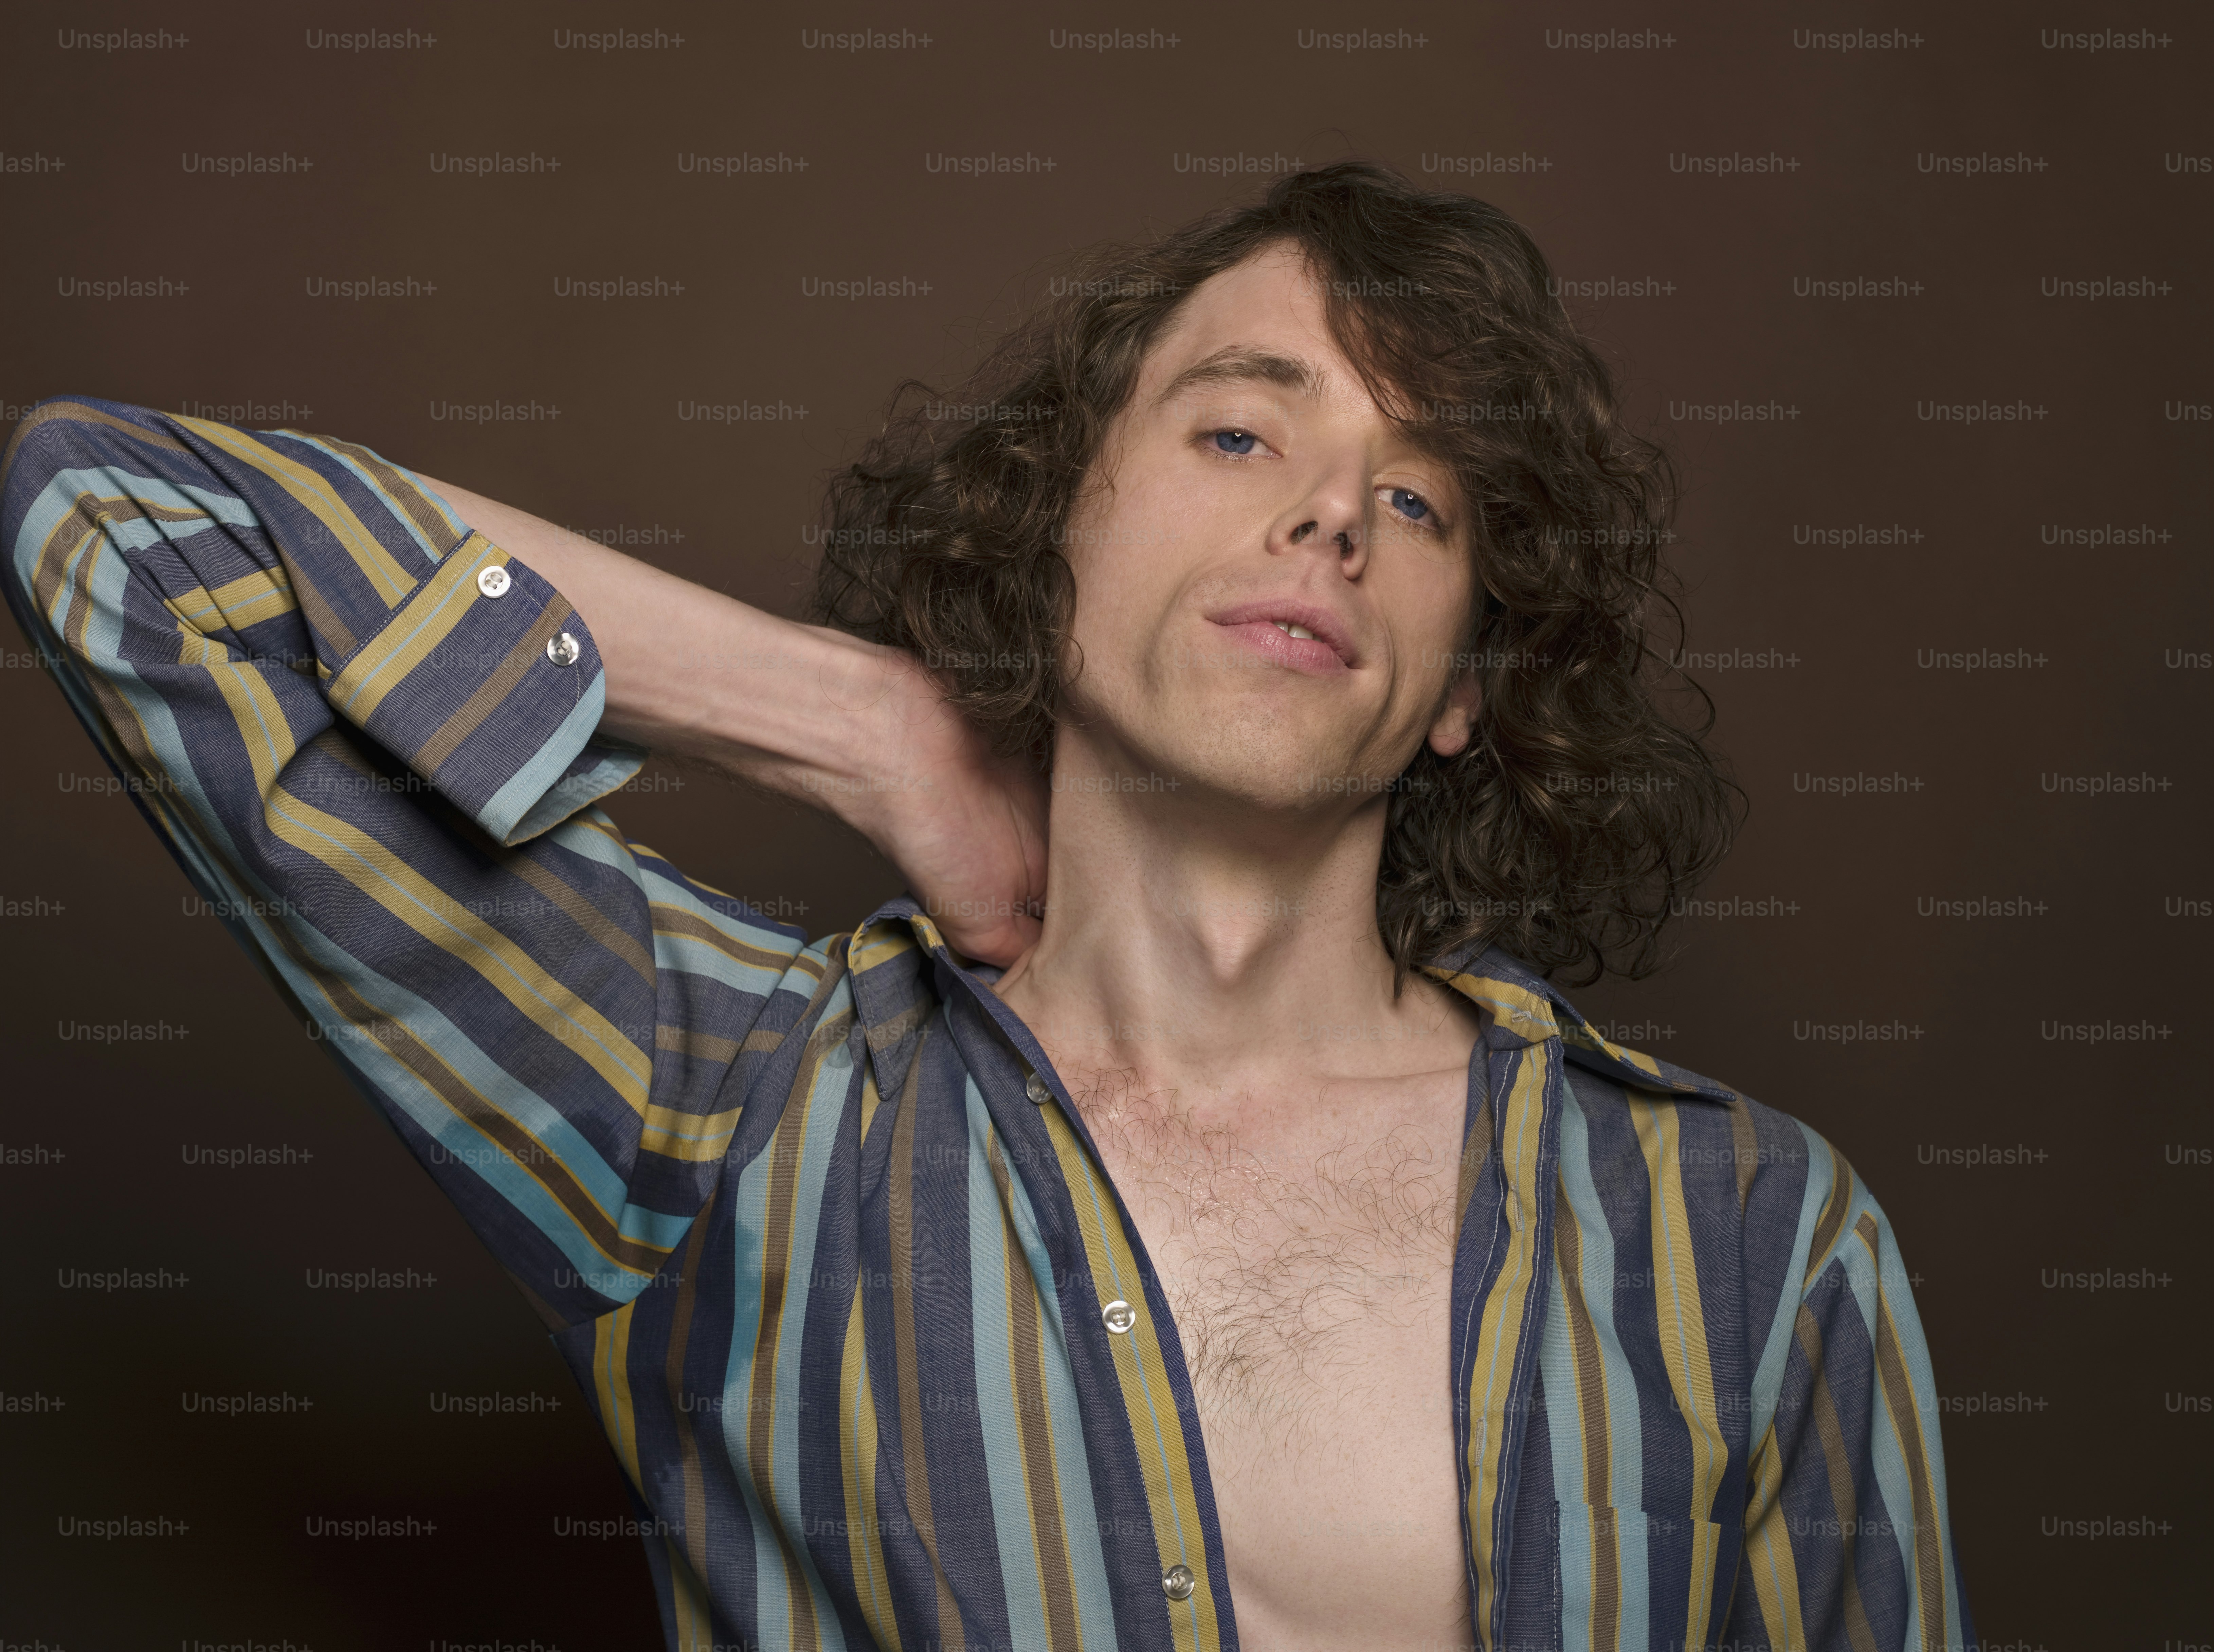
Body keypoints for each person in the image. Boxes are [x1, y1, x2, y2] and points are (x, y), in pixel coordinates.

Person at [1, 162, 1975, 1651]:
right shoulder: (729, 1112)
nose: (1329, 514)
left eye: (1421, 498)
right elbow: (118, 526)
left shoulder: (1751, 1240)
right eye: (1236, 429)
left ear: (1462, 685)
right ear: (1053, 546)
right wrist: (859, 724)